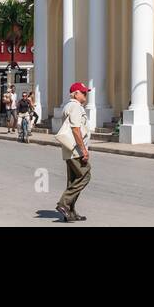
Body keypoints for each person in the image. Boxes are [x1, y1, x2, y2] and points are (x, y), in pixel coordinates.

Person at [53, 82, 92, 223]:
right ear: (75, 94)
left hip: (70, 150)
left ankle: (70, 211)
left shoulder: (69, 106)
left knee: (73, 181)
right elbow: (76, 129)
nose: (85, 95)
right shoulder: (75, 107)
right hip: (76, 150)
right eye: (83, 92)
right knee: (85, 175)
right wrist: (83, 150)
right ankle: (64, 204)